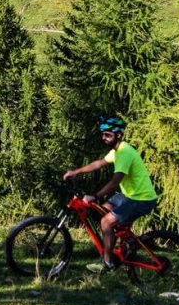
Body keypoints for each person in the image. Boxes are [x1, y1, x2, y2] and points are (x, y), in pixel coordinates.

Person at [63, 116, 158, 274]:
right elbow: (99, 163)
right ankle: (125, 244)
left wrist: (95, 195)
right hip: (130, 196)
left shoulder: (124, 153)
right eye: (103, 134)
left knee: (106, 222)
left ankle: (107, 263)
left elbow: (114, 182)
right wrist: (75, 172)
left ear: (118, 135)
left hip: (141, 199)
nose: (103, 138)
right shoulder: (117, 150)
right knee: (102, 209)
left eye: (107, 134)